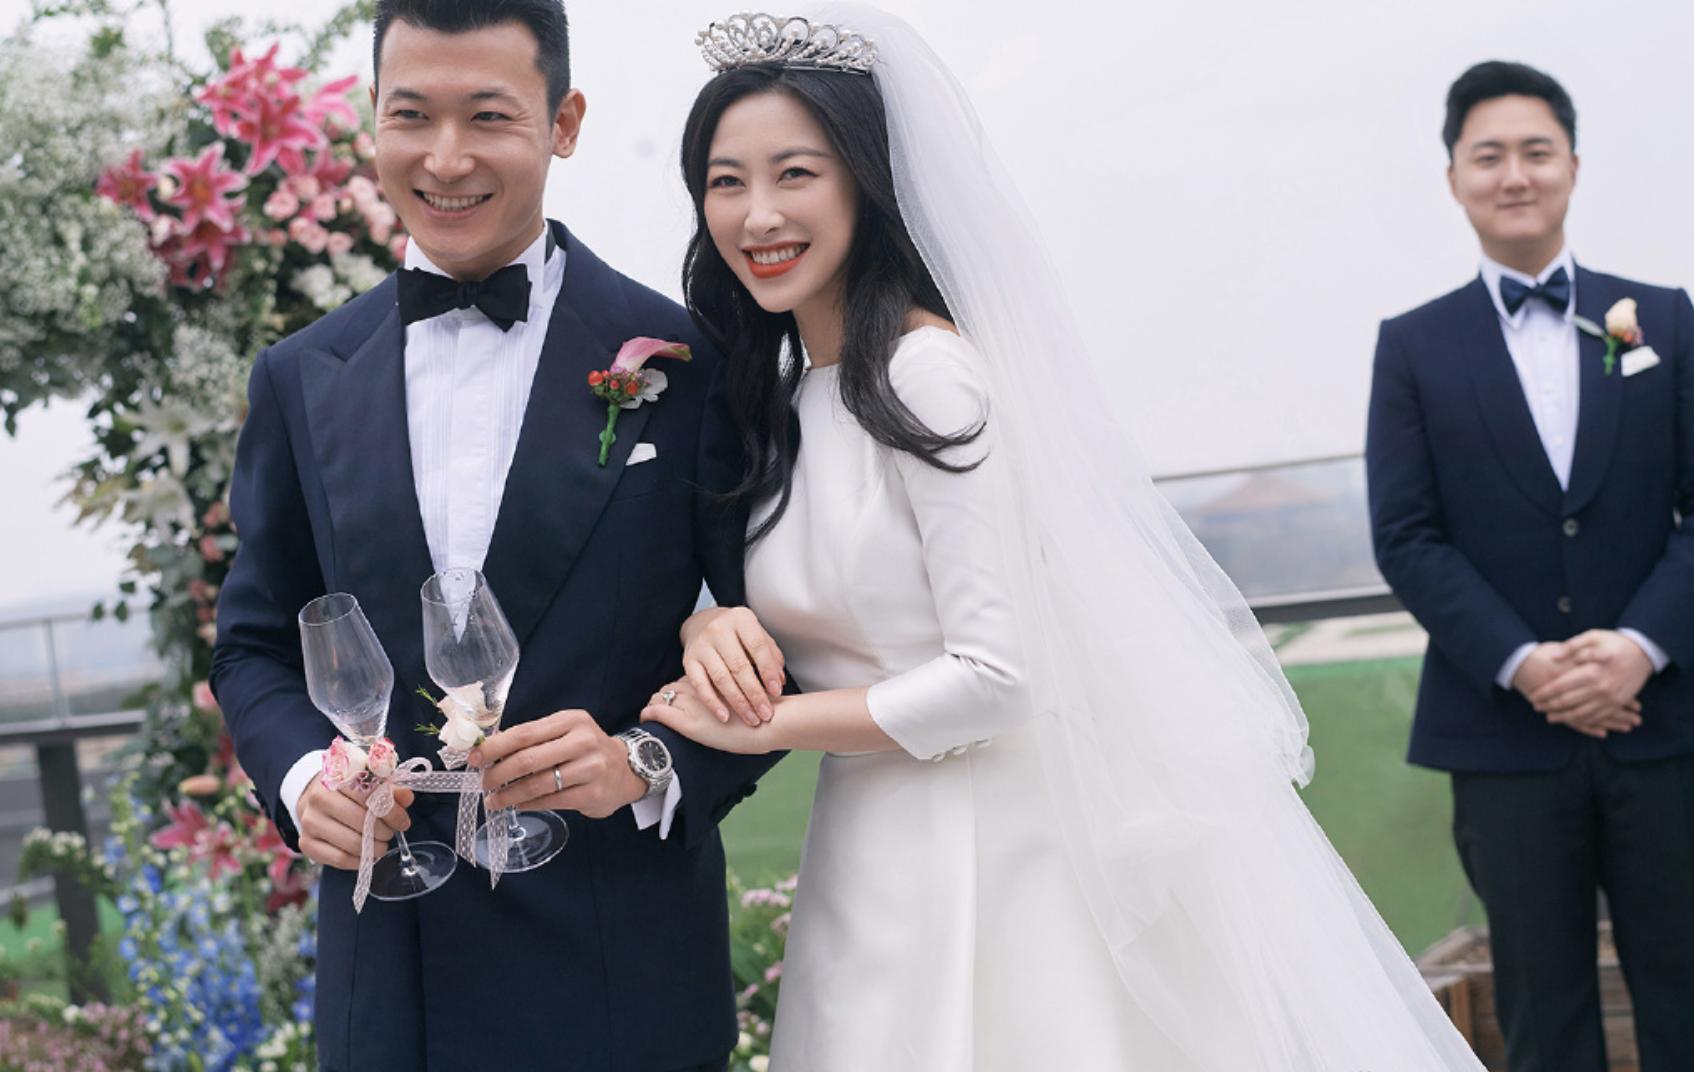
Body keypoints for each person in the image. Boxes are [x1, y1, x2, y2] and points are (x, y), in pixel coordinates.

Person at [641, 6, 1490, 1069]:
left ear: (865, 180)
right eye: (726, 181)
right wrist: (703, 623)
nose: (756, 212)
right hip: (870, 841)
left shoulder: (926, 374)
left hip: (998, 843)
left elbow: (996, 675)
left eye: (794, 174)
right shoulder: (780, 400)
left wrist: (769, 723)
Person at [210, 2, 779, 1069]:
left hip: (620, 982)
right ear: (370, 120)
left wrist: (646, 762)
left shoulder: (693, 365)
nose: (446, 157)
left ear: (562, 122)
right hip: (390, 987)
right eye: (411, 114)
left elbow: (776, 633)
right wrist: (300, 784)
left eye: (488, 116)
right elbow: (251, 646)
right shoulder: (298, 379)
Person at [1366, 59, 1694, 1072]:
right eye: (1489, 155)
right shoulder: (1412, 346)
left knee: (1684, 987)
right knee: (1542, 1011)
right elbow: (1405, 534)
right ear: (1455, 176)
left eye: (1534, 151)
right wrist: (1527, 664)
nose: (1514, 174)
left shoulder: (1662, 317)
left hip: (1664, 724)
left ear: (1571, 166)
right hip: (1501, 734)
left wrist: (1638, 647)